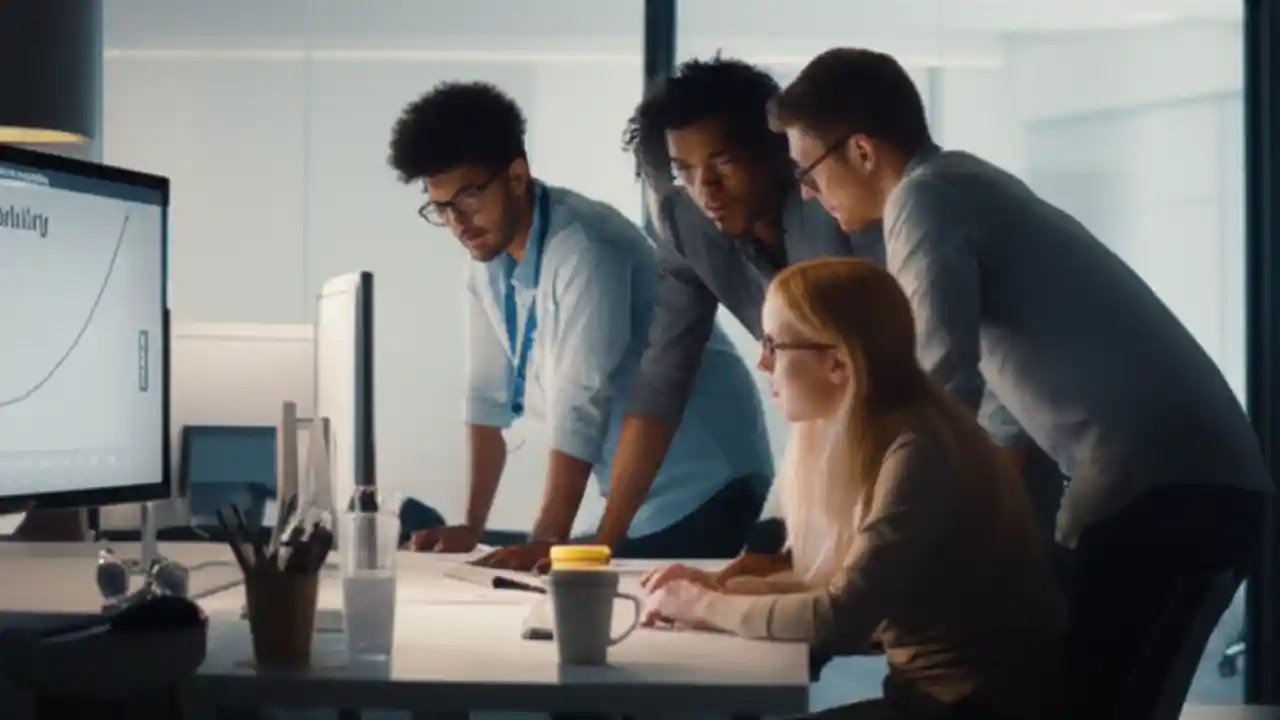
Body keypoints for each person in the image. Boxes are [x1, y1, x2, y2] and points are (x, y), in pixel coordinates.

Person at [768, 47, 1272, 718]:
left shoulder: (924, 197)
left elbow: (932, 381)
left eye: (807, 169)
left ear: (861, 150)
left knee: (1092, 706)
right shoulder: (963, 185)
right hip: (1180, 482)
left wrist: (877, 531)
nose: (806, 192)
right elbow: (995, 400)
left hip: (1169, 491)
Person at [608, 56, 1064, 577]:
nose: (703, 189)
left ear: (774, 152)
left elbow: (942, 379)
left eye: (723, 163)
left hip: (978, 456)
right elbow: (663, 381)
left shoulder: (864, 215)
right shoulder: (687, 223)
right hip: (879, 461)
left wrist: (968, 502)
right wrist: (606, 543)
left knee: (995, 625)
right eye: (684, 170)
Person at [643, 258, 1064, 720]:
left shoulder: (917, 453)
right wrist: (722, 586)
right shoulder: (897, 430)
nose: (763, 363)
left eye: (773, 345)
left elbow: (839, 621)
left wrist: (705, 605)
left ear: (838, 363)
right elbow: (837, 588)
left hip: (969, 707)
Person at [385, 82, 772, 568]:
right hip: (640, 500)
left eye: (467, 196)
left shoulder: (586, 247)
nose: (457, 222)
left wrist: (549, 537)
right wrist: (471, 526)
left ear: (517, 175)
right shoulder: (485, 261)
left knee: (572, 598)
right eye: (440, 208)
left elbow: (579, 403)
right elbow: (487, 399)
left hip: (708, 486)